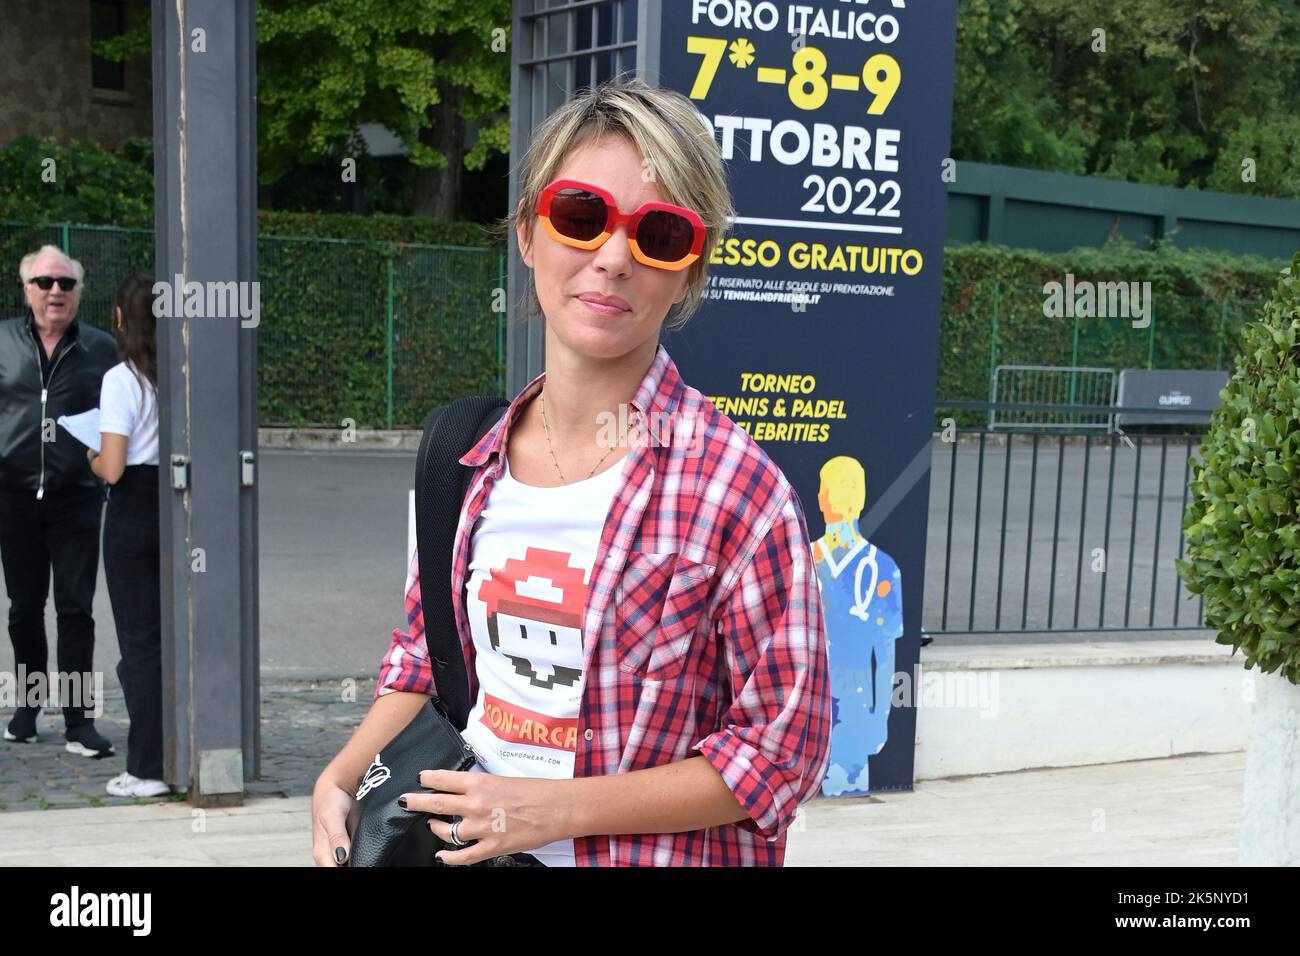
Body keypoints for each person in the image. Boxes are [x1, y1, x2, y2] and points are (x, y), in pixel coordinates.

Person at [312, 75, 832, 867]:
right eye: (582, 218)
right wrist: (343, 776)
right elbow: (423, 661)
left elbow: (781, 753)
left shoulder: (737, 490)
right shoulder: (464, 459)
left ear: (690, 269)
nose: (614, 258)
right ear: (528, 232)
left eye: (659, 233)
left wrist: (550, 812)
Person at [0, 245, 118, 756]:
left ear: (77, 294)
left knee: (76, 610)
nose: (55, 292)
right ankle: (28, 708)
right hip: (15, 496)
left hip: (76, 497)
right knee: (24, 607)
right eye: (46, 283)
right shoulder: (3, 342)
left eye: (66, 285)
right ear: (27, 289)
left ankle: (79, 721)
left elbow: (120, 416)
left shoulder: (100, 349)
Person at [88, 273, 169, 798]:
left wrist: (90, 455)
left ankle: (146, 768)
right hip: (172, 504)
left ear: (120, 317)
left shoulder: (121, 379)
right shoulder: (175, 374)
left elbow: (113, 467)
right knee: (166, 640)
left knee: (138, 643)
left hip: (133, 509)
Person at [811, 456, 903, 797]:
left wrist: (880, 719)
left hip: (844, 702)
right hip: (826, 700)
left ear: (820, 499)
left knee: (835, 786)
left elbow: (887, 653)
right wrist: (879, 718)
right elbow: (887, 656)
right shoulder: (806, 560)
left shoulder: (881, 567)